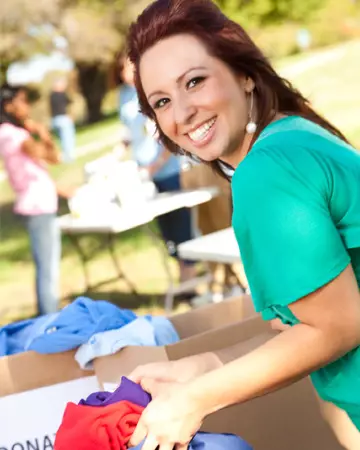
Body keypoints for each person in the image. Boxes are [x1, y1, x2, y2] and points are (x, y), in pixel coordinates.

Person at [122, 0, 360, 448]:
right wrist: (207, 365)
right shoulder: (294, 135)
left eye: (195, 81)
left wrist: (194, 401)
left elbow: (339, 328)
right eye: (162, 102)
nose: (183, 112)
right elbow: (315, 326)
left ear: (244, 73)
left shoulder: (267, 170)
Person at [116, 55, 197, 284]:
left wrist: (157, 164)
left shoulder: (155, 91)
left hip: (167, 168)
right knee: (166, 230)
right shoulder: (123, 97)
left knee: (181, 225)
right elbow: (128, 133)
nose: (127, 73)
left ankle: (189, 280)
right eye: (124, 69)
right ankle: (183, 278)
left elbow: (170, 132)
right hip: (143, 174)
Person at [0, 84, 71, 315]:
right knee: (47, 269)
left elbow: (55, 157)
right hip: (36, 206)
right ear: (8, 105)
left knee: (50, 266)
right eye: (22, 101)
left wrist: (42, 134)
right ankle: (48, 319)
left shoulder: (19, 132)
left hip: (44, 203)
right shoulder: (8, 134)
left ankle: (49, 315)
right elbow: (37, 152)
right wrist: (38, 131)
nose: (26, 106)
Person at [49, 78, 76, 163]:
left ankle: (65, 156)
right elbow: (70, 102)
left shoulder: (51, 96)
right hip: (63, 119)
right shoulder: (62, 95)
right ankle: (70, 156)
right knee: (68, 138)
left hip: (55, 120)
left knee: (62, 139)